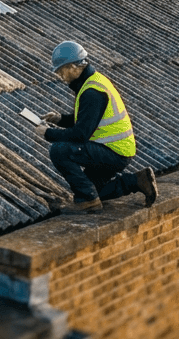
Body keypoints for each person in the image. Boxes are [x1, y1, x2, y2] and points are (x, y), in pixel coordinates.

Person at [34, 40, 157, 213]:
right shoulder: (92, 82)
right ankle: (137, 181)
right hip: (117, 149)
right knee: (95, 189)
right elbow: (86, 119)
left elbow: (81, 134)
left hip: (113, 151)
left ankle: (87, 201)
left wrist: (48, 133)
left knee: (59, 150)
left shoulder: (92, 92)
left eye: (61, 70)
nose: (61, 76)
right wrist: (59, 119)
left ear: (73, 67)